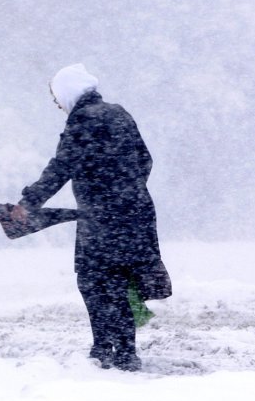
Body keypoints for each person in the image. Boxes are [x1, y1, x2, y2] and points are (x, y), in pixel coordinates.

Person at [10, 64, 161, 371]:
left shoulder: (83, 120)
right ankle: (127, 352)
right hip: (135, 213)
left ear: (69, 92)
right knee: (119, 279)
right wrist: (127, 191)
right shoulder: (119, 114)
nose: (57, 104)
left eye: (57, 97)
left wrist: (29, 202)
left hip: (102, 218)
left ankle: (104, 348)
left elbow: (61, 167)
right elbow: (146, 159)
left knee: (94, 282)